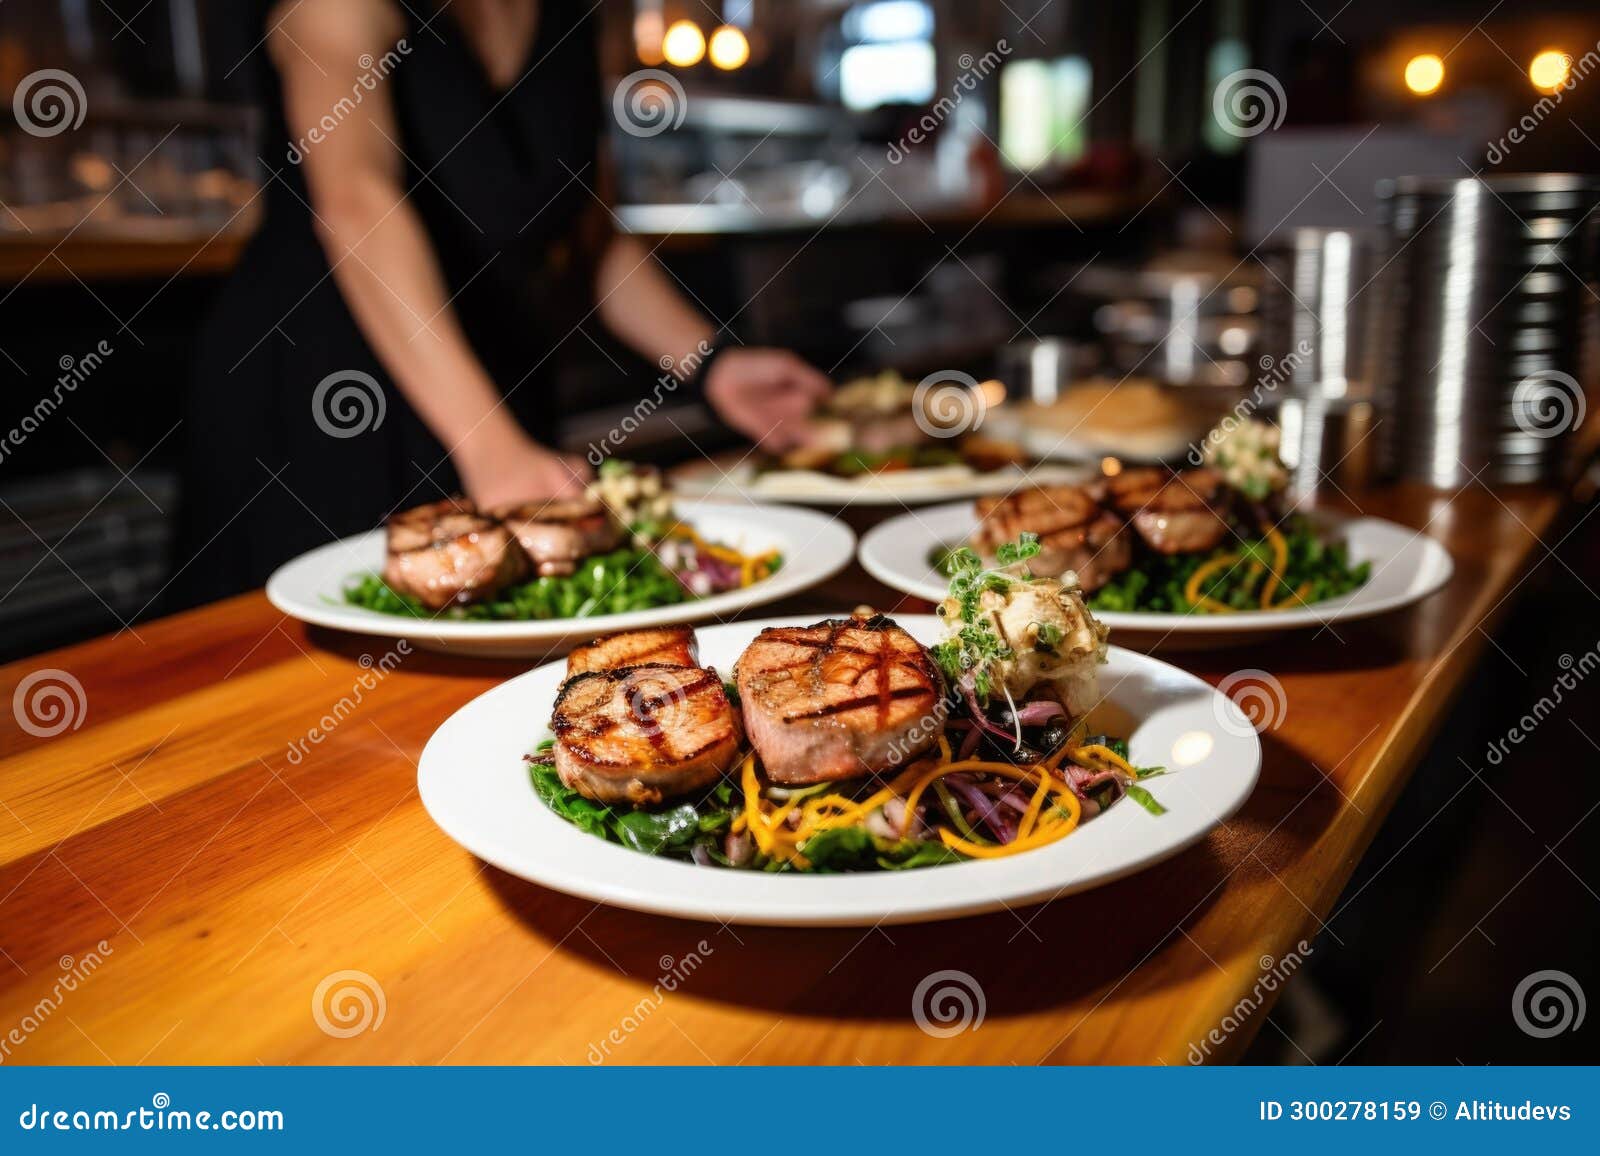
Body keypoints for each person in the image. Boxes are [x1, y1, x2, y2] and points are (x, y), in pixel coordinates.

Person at [179, 0, 829, 603]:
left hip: (493, 396)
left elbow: (585, 232)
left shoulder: (571, 13)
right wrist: (488, 445)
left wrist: (712, 365)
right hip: (324, 404)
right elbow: (356, 206)